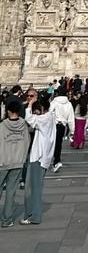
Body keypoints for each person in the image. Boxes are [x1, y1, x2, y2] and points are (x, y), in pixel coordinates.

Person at [21, 95, 56, 226]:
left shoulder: (45, 118)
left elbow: (29, 118)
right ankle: (32, 214)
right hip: (44, 157)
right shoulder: (50, 116)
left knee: (34, 189)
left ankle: (34, 216)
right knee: (35, 187)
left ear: (41, 108)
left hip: (38, 157)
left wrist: (30, 104)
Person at [0, 97, 29, 228]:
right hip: (17, 162)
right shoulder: (24, 125)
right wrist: (22, 159)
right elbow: (27, 143)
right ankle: (7, 219)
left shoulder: (3, 125)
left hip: (3, 162)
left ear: (7, 111)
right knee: (11, 192)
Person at [50, 88, 75, 172]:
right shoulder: (69, 104)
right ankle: (57, 160)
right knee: (59, 143)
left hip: (54, 124)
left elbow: (49, 112)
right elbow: (71, 119)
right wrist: (72, 131)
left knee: (52, 143)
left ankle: (54, 160)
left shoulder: (54, 102)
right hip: (62, 126)